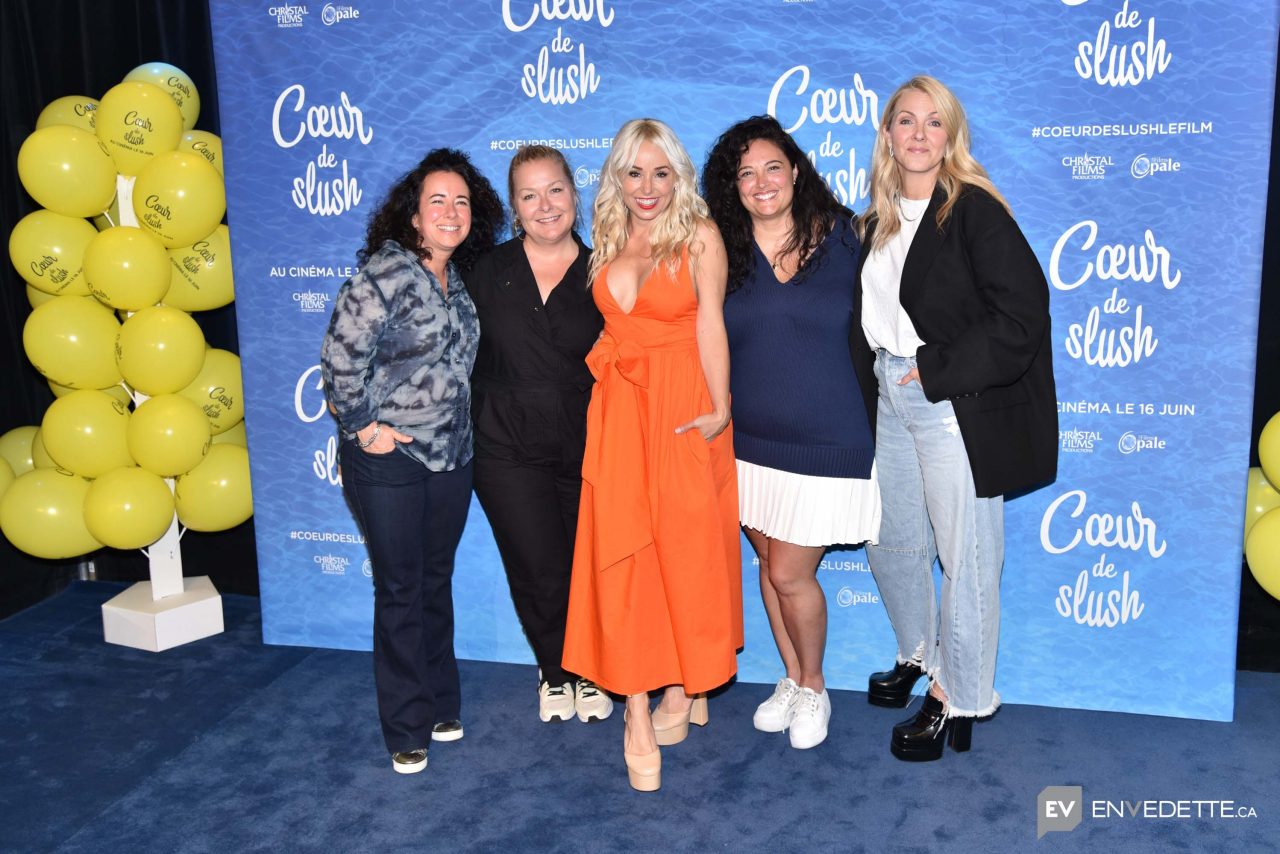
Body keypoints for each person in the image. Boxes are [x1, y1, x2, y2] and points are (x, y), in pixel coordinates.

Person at [856, 76, 1057, 761]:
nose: (918, 134)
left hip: (950, 405)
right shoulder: (876, 220)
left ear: (951, 137)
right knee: (892, 542)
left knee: (966, 560)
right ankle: (920, 654)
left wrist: (935, 369)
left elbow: (1023, 315)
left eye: (932, 123)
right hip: (891, 397)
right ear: (886, 134)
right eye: (905, 121)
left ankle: (957, 698)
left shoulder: (972, 211)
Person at [562, 118, 742, 791]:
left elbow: (710, 323)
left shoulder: (699, 234)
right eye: (634, 172)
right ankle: (637, 710)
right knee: (626, 561)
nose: (646, 187)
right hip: (617, 412)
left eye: (660, 173)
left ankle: (684, 685)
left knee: (683, 557)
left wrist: (720, 410)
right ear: (616, 176)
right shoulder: (608, 234)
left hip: (682, 410)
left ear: (678, 176)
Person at [321, 148, 504, 775]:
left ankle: (439, 701)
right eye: (437, 201)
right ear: (414, 216)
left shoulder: (459, 279)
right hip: (390, 460)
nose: (451, 212)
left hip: (452, 456)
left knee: (433, 582)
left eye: (461, 201)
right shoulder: (386, 274)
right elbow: (340, 359)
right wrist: (365, 429)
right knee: (400, 587)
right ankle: (405, 724)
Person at [702, 115, 881, 750]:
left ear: (796, 170)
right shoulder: (721, 250)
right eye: (745, 174)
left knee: (789, 574)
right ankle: (791, 677)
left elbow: (901, 307)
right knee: (768, 564)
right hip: (749, 445)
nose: (760, 182)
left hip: (832, 442)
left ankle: (814, 685)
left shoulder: (848, 236)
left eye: (772, 167)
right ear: (733, 187)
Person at [466, 145, 611, 724]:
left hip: (588, 445)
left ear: (575, 196)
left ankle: (592, 669)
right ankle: (556, 671)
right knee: (535, 566)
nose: (544, 205)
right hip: (505, 449)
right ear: (514, 207)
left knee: (586, 565)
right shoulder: (485, 272)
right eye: (529, 195)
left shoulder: (606, 272)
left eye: (555, 190)